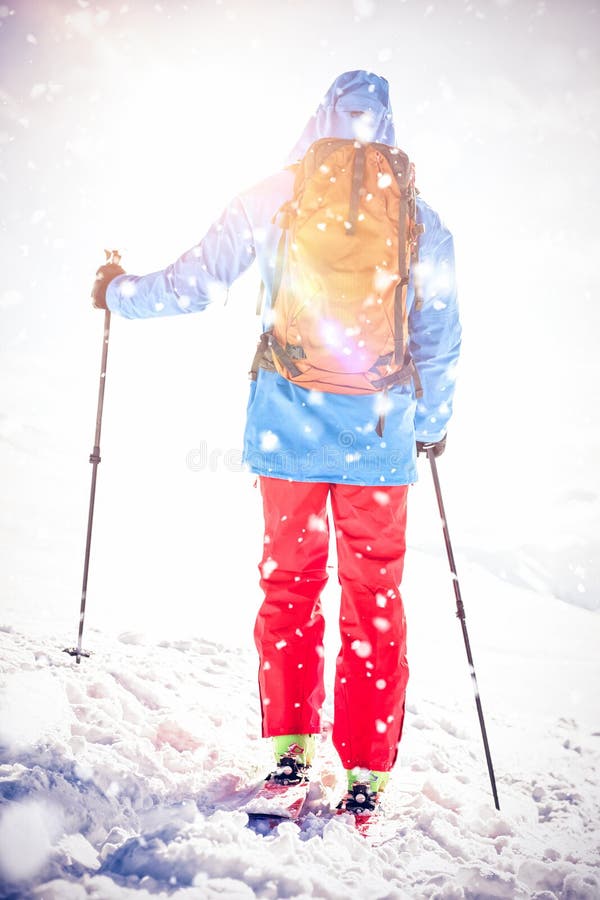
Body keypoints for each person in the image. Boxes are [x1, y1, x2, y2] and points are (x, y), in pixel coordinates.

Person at [92, 70, 461, 814]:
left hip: (286, 427)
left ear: (321, 115)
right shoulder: (418, 217)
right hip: (379, 439)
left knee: (290, 588)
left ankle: (291, 757)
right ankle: (366, 777)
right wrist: (429, 425)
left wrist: (117, 291)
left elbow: (196, 285)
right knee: (375, 599)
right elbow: (440, 337)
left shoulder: (275, 195)